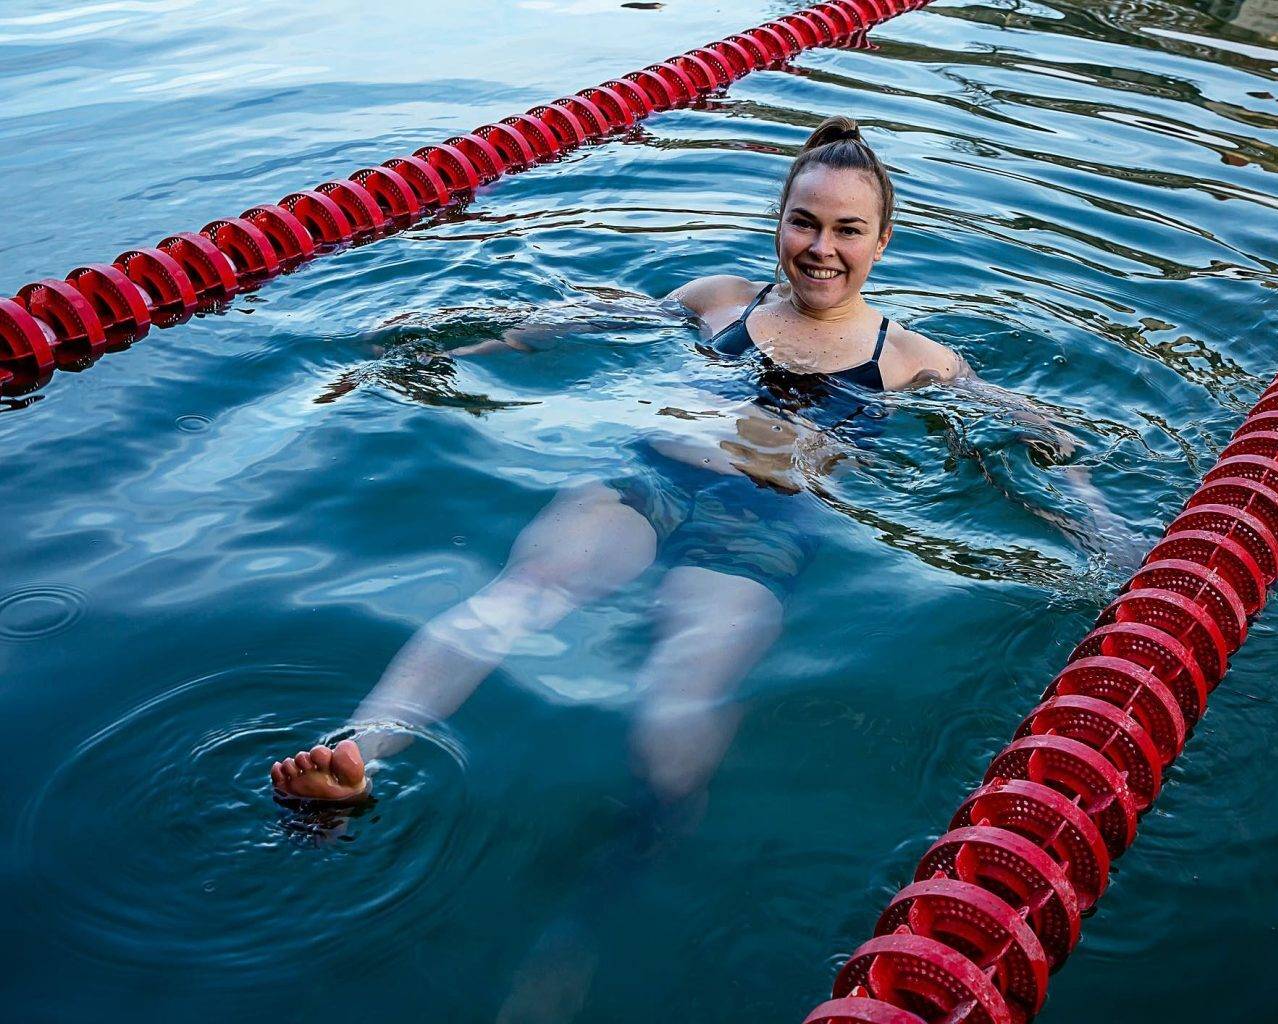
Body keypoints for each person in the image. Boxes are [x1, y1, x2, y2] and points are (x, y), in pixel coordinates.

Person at [269, 115, 1087, 813]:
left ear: (883, 239)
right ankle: (359, 758)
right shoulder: (719, 299)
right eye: (805, 222)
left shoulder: (911, 358)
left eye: (847, 230)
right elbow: (585, 319)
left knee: (670, 722)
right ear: (779, 221)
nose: (822, 248)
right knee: (514, 600)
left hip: (764, 525)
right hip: (650, 482)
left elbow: (1035, 435)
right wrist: (460, 345)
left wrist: (1095, 521)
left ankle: (639, 856)